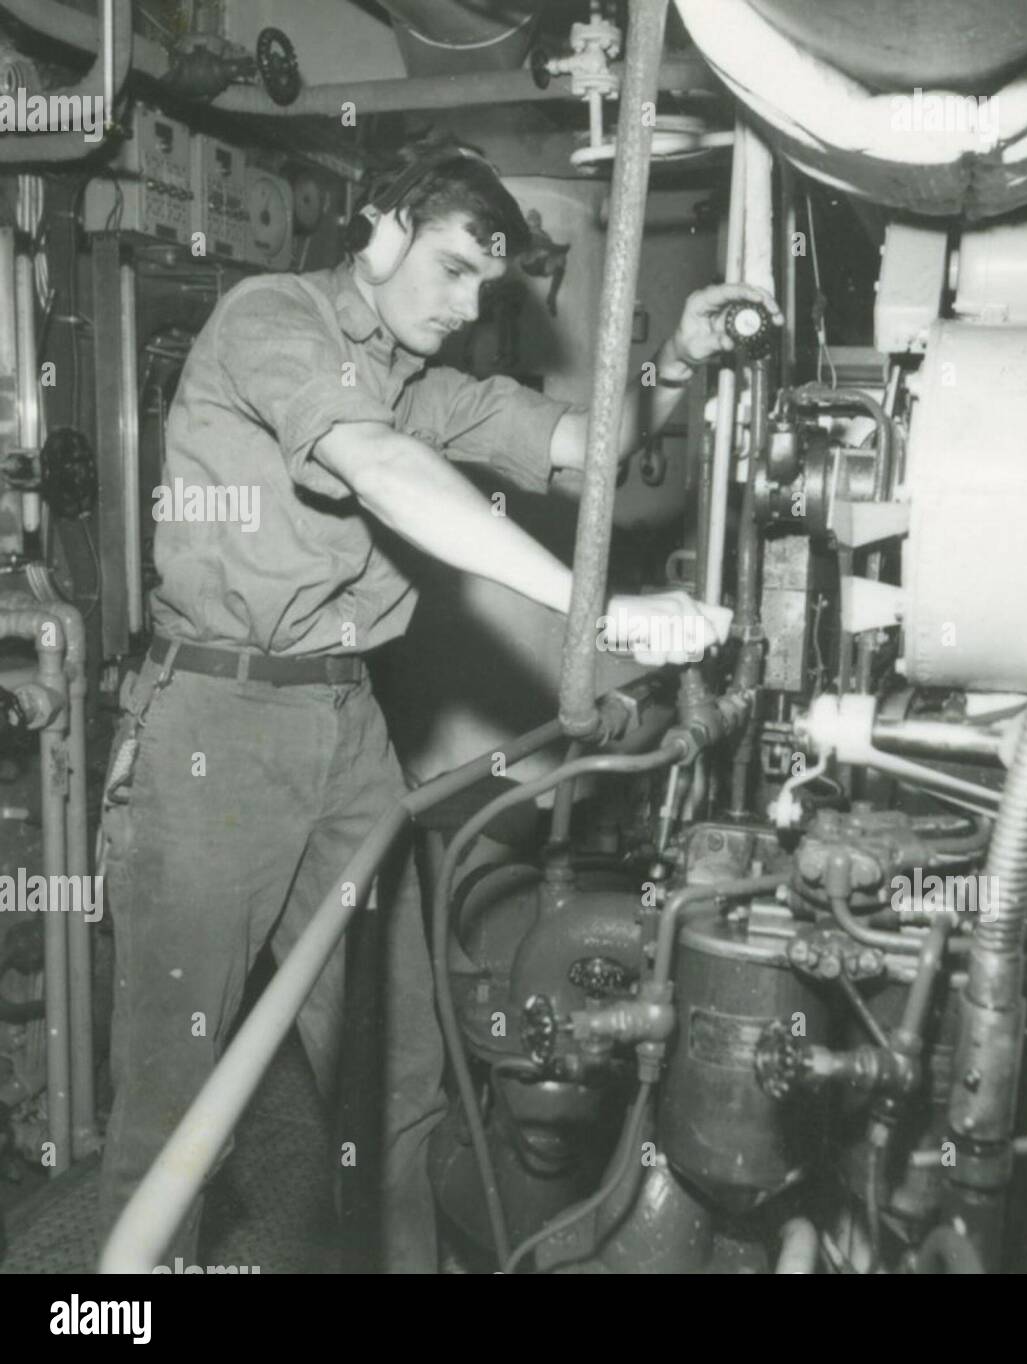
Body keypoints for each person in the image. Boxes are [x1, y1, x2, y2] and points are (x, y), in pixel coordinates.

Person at [97, 141, 780, 1272]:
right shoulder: (273, 319)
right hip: (213, 726)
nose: (467, 309)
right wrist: (596, 612)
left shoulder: (422, 382)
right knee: (176, 1096)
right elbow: (378, 467)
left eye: (486, 287)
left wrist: (685, 363)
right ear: (379, 229)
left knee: (398, 1077)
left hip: (347, 724)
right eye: (455, 270)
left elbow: (587, 443)